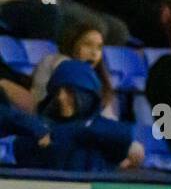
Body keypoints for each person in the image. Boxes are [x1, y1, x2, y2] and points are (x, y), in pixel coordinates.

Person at [1, 60, 141, 172]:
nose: (61, 98)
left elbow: (123, 137)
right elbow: (22, 148)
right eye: (57, 91)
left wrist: (73, 132)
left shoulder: (102, 127)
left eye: (69, 92)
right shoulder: (38, 127)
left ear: (86, 94)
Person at [31, 22, 116, 118]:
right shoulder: (57, 63)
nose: (94, 53)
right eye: (88, 45)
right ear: (72, 43)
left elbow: (108, 118)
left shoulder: (95, 76)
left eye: (99, 47)